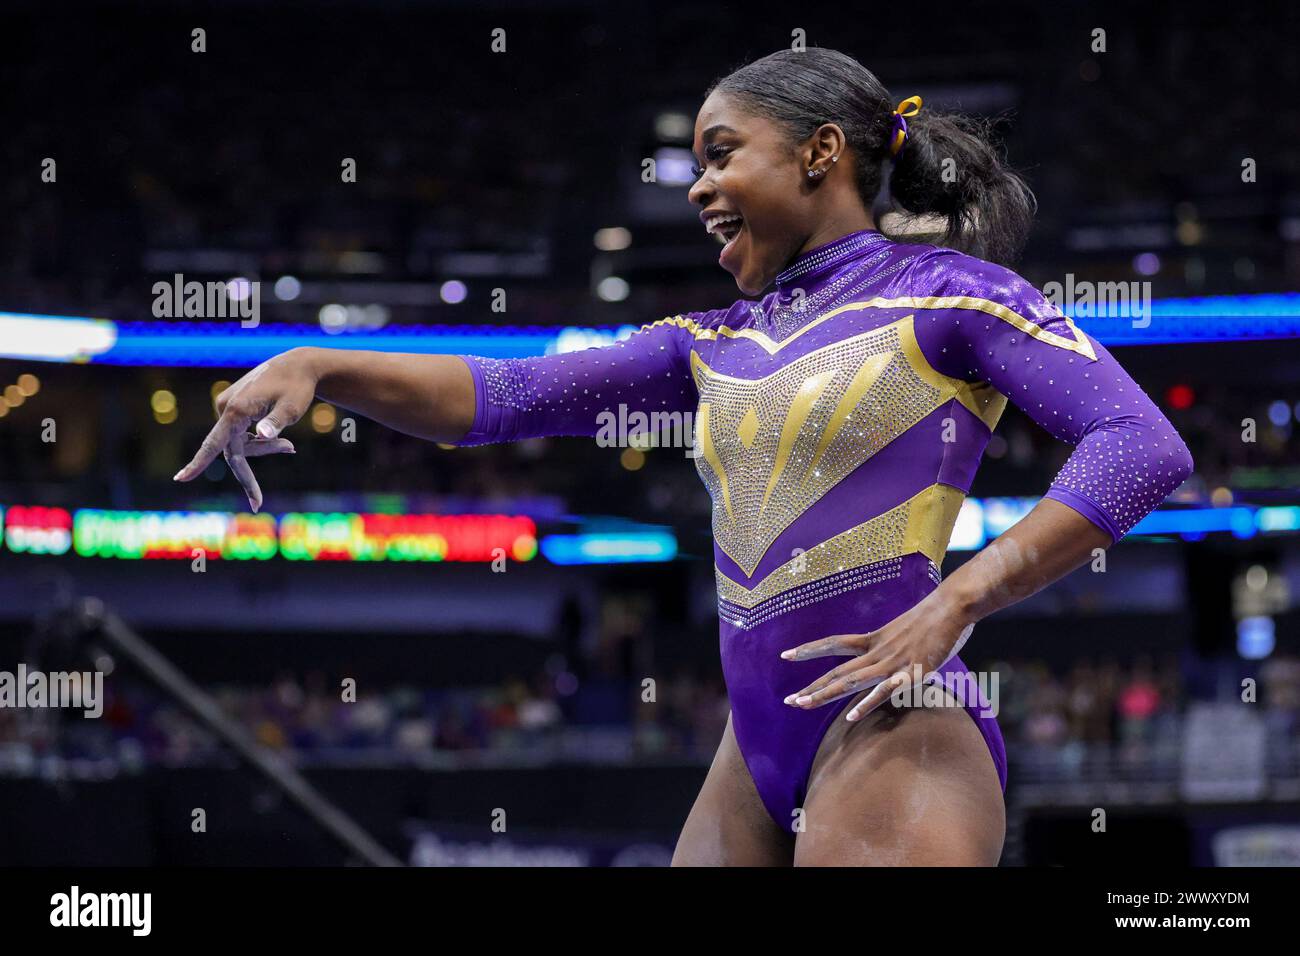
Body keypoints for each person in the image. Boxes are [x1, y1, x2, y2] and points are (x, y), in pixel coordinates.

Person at [175, 47, 1195, 865]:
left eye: (720, 154)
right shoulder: (706, 343)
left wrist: (960, 598)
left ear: (820, 152)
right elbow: (506, 395)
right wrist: (320, 362)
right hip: (748, 751)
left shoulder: (952, 294)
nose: (700, 185)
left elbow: (1141, 443)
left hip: (896, 724)